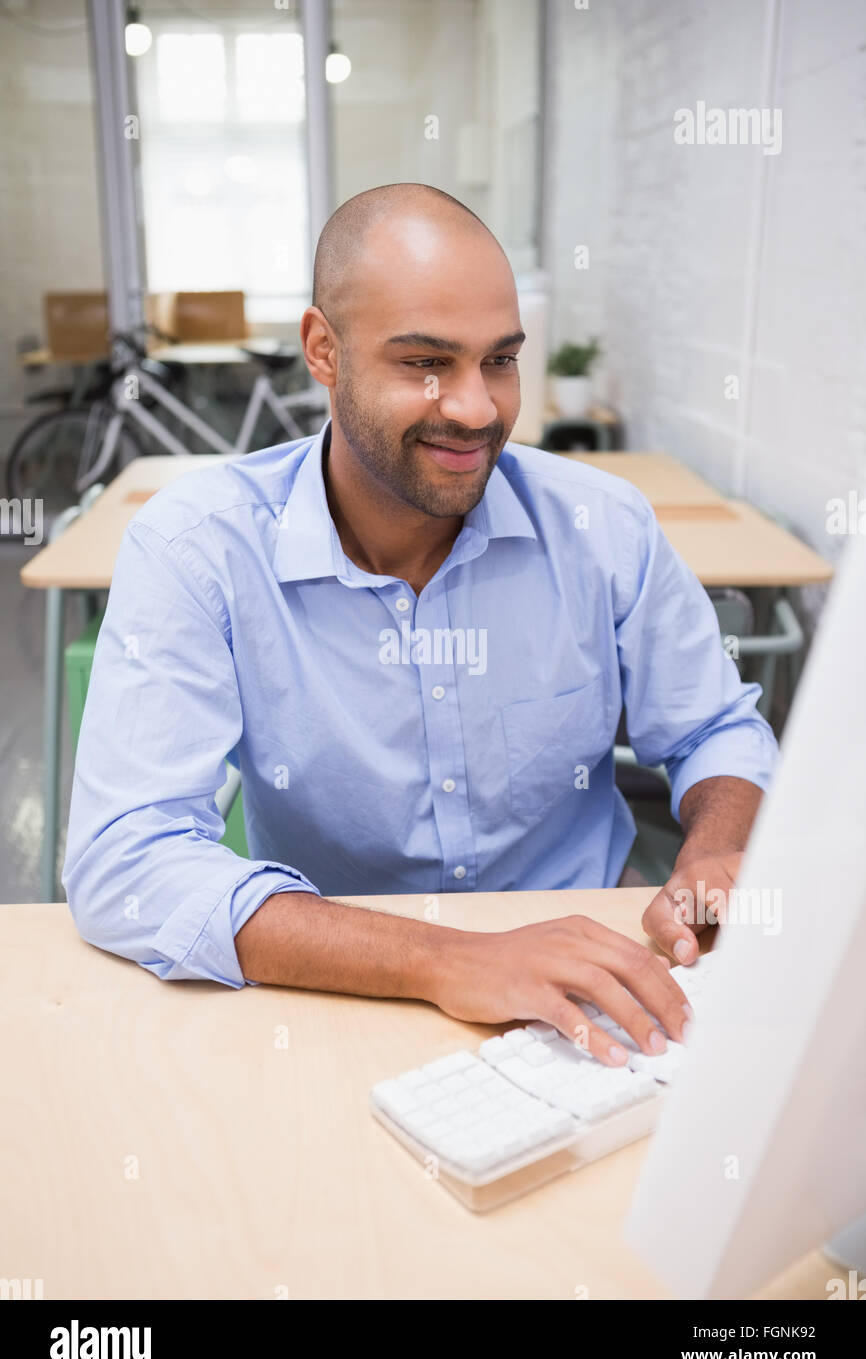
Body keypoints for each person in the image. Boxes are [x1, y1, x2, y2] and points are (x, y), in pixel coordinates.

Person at [63, 184, 778, 1068]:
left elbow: (716, 730)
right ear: (324, 350)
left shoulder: (605, 527)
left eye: (501, 360)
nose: (476, 409)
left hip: (607, 970)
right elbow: (127, 861)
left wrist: (713, 855)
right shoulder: (199, 548)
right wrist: (455, 961)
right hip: (338, 989)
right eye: (426, 363)